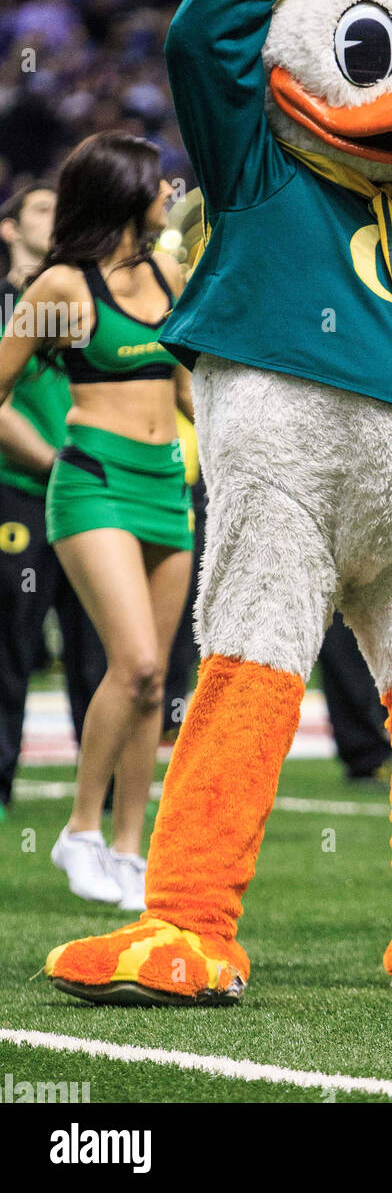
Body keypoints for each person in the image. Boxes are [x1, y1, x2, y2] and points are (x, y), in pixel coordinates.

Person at [0, 132, 193, 909]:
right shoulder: (62, 289)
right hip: (92, 483)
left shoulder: (167, 271)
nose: (169, 190)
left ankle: (126, 849)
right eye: (157, 181)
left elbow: (187, 391)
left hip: (166, 486)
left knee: (155, 687)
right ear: (123, 191)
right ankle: (80, 828)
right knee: (137, 663)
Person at [0, 182, 105, 820]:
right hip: (20, 493)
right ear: (9, 229)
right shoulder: (10, 304)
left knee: (99, 650)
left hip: (89, 495)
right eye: (40, 208)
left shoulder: (81, 299)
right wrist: (56, 461)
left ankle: (105, 802)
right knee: (9, 642)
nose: (55, 215)